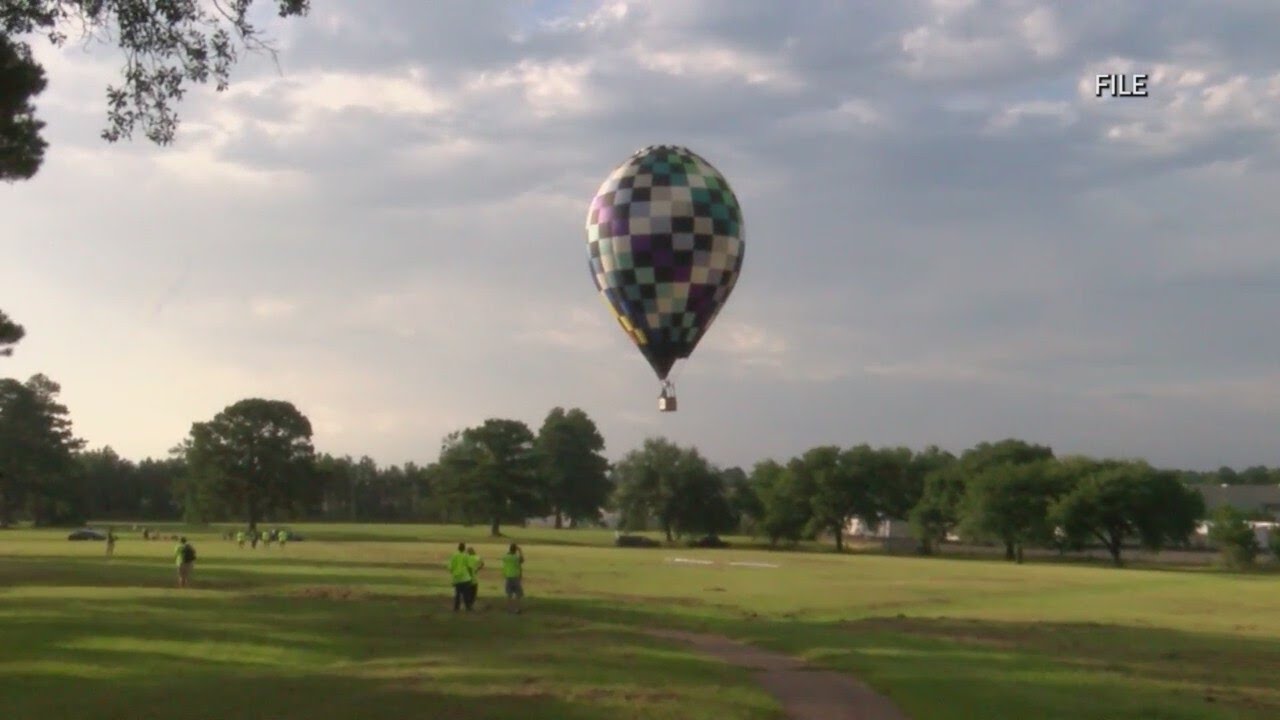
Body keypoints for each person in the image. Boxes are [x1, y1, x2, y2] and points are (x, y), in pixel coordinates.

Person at [448, 543, 472, 612]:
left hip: (457, 578)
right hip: (465, 577)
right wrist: (470, 576)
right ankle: (468, 607)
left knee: (457, 594)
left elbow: (450, 567)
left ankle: (456, 607)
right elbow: (469, 567)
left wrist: (453, 573)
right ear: (464, 549)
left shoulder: (454, 556)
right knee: (466, 594)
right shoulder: (466, 556)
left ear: (458, 548)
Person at [501, 543, 524, 614]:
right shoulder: (516, 558)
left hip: (507, 577)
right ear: (515, 550)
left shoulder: (505, 557)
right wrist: (520, 551)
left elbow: (505, 556)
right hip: (515, 577)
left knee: (509, 594)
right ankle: (517, 609)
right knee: (518, 594)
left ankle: (509, 609)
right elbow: (522, 560)